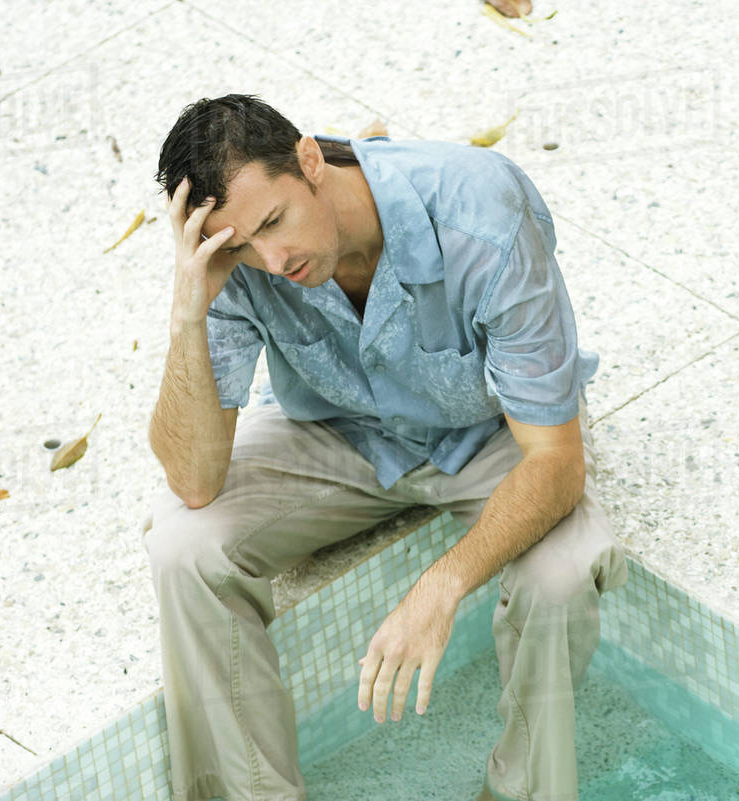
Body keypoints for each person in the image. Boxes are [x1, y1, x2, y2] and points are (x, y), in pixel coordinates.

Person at [142, 94, 629, 801]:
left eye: (274, 222)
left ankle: (520, 791)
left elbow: (556, 460)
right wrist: (190, 306)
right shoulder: (239, 260)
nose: (272, 260)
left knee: (561, 575)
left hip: (490, 435)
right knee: (182, 545)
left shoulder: (482, 213)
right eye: (242, 244)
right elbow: (193, 480)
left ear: (310, 160)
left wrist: (442, 584)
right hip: (341, 432)